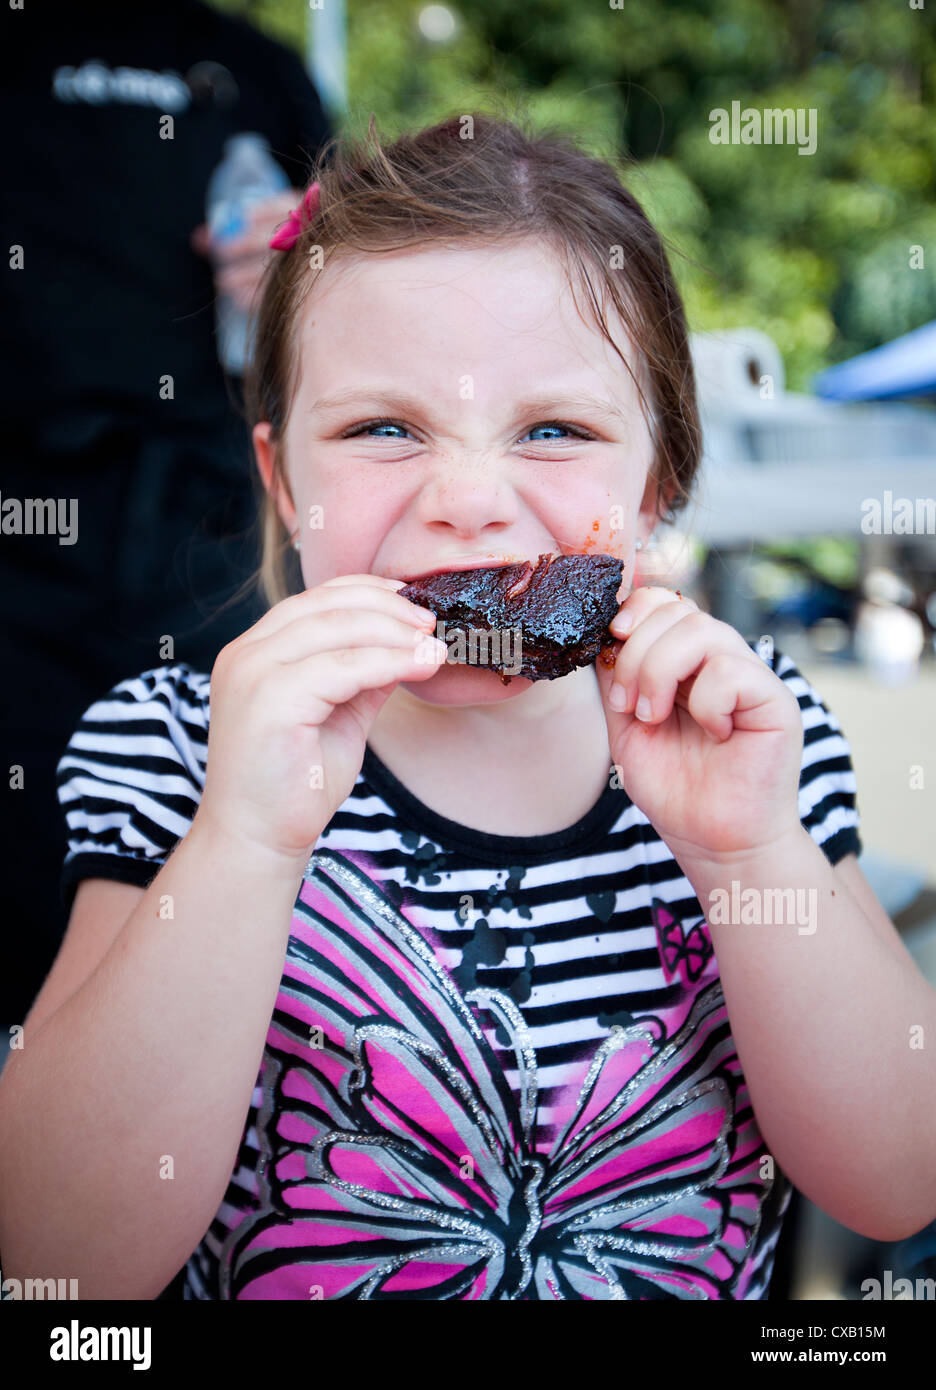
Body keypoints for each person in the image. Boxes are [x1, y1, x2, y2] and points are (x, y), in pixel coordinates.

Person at [2, 113, 933, 1302]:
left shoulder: (753, 735)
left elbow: (899, 1182)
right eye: (384, 429)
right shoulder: (178, 754)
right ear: (286, 483)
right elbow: (57, 1261)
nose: (467, 499)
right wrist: (240, 844)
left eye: (554, 430)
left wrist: (748, 846)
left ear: (660, 485)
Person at [0, 0, 331, 1035]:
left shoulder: (253, 69)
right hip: (17, 540)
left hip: (207, 530)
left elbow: (343, 271)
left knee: (200, 843)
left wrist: (297, 262)